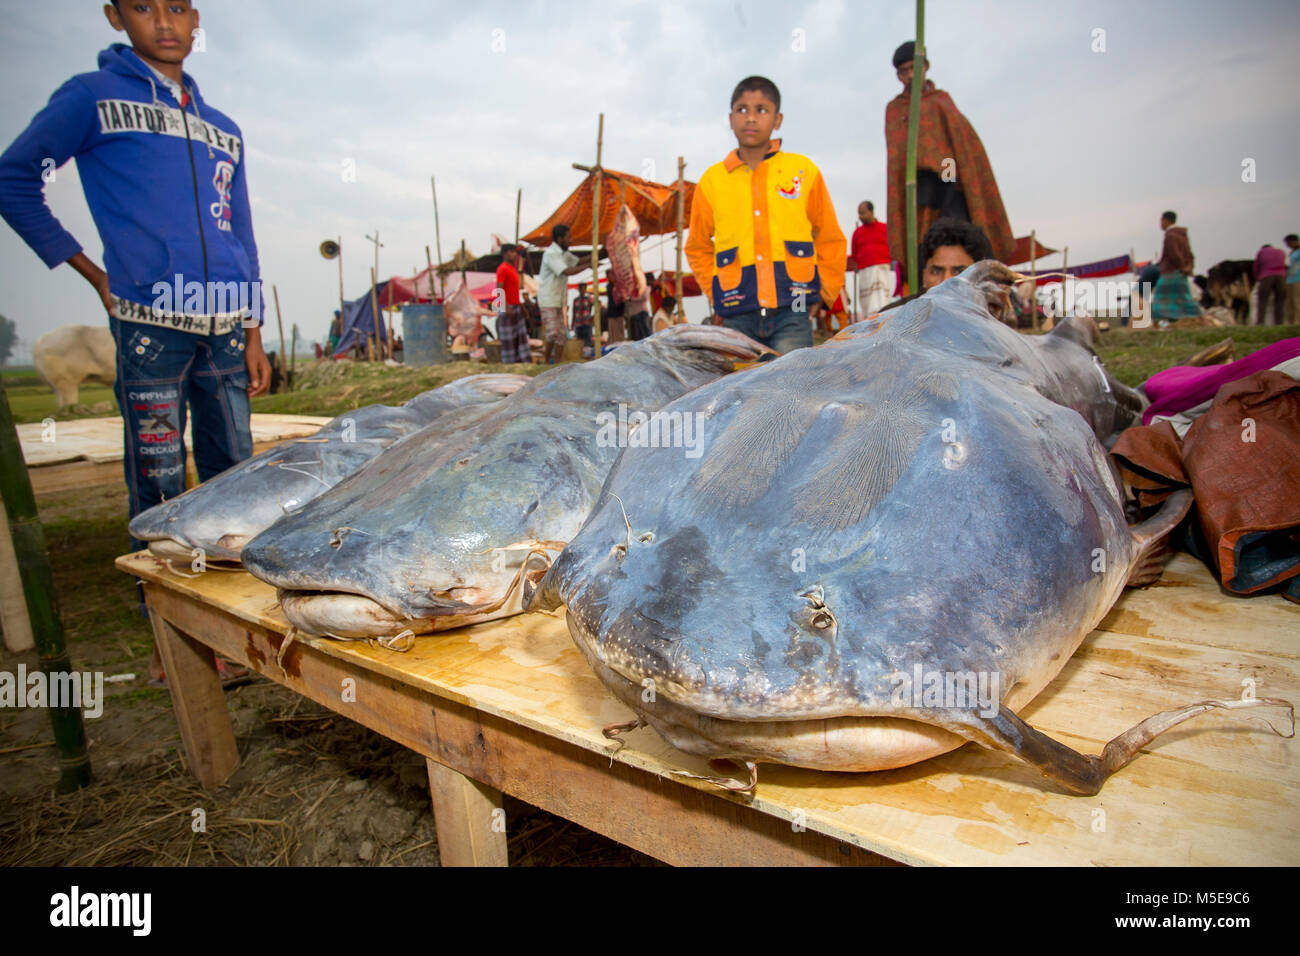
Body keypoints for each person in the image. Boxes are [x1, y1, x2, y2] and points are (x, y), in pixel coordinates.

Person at [0, 0, 269, 688]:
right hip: (150, 322)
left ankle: (236, 628)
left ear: (196, 16)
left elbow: (239, 231)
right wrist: (91, 272)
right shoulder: (92, 99)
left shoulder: (223, 129)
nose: (165, 21)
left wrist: (254, 328)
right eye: (145, 7)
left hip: (224, 325)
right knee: (158, 477)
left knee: (236, 471)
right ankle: (171, 642)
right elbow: (15, 175)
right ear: (116, 16)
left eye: (178, 6)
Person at [686, 76, 846, 354]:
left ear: (777, 119)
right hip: (737, 312)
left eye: (761, 110)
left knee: (792, 387)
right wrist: (718, 292)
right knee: (741, 390)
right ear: (730, 118)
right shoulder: (712, 181)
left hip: (793, 308)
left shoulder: (802, 171)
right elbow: (697, 247)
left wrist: (826, 291)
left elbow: (830, 237)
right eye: (742, 109)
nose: (750, 118)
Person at [885, 42, 1014, 271]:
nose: (909, 75)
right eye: (903, 71)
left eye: (913, 68)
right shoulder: (895, 109)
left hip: (948, 181)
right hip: (917, 189)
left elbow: (959, 146)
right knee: (925, 248)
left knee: (958, 239)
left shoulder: (940, 100)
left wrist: (948, 183)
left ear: (925, 66)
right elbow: (897, 159)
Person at [879, 218, 993, 313]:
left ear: (979, 278)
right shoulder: (893, 319)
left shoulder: (995, 321)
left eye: (959, 272)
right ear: (924, 276)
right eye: (936, 272)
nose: (946, 280)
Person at [537, 224, 586, 363]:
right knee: (553, 332)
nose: (571, 240)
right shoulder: (551, 254)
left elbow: (578, 262)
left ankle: (556, 362)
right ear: (560, 239)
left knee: (562, 335)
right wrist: (589, 266)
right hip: (548, 299)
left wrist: (598, 256)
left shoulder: (564, 254)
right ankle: (546, 360)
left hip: (559, 300)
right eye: (568, 237)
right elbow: (567, 271)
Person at [1150, 211, 1202, 321]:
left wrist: (1181, 267)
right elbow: (1190, 254)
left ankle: (1161, 322)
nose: (1160, 224)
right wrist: (1189, 268)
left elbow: (1174, 254)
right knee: (1184, 299)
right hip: (1182, 273)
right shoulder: (1182, 235)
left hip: (1171, 272)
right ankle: (1197, 317)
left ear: (1165, 220)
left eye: (1161, 221)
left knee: (1160, 301)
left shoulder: (1170, 235)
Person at [850, 200, 894, 317]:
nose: (860, 216)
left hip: (882, 269)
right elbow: (854, 254)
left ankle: (883, 322)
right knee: (867, 301)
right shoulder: (857, 233)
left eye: (863, 213)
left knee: (880, 299)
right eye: (859, 213)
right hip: (865, 272)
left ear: (871, 211)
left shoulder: (885, 228)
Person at [494, 244, 531, 363]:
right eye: (511, 252)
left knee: (520, 337)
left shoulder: (513, 269)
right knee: (508, 339)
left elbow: (515, 291)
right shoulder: (502, 268)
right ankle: (509, 363)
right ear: (504, 254)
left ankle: (522, 362)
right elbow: (499, 288)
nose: (514, 255)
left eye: (515, 252)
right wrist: (504, 306)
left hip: (516, 306)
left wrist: (522, 307)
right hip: (507, 307)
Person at [1254, 242, 1287, 327]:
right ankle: (1279, 323)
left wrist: (1258, 277)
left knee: (1262, 300)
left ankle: (1260, 322)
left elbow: (1256, 266)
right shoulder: (1281, 251)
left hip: (1267, 276)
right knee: (1280, 301)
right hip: (1281, 276)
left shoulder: (1261, 252)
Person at [571, 281, 594, 355]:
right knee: (579, 341)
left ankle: (588, 355)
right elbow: (574, 311)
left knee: (588, 341)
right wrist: (572, 323)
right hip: (578, 324)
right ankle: (581, 355)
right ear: (579, 289)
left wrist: (592, 318)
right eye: (581, 288)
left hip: (587, 322)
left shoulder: (589, 299)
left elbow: (594, 308)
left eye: (584, 288)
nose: (582, 290)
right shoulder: (575, 300)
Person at [1286, 234, 1300, 325]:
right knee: (1290, 302)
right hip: (1290, 279)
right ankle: (1291, 321)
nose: (1288, 245)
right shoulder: (1292, 253)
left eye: (1289, 243)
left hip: (1298, 279)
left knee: (1296, 301)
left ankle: (1297, 322)